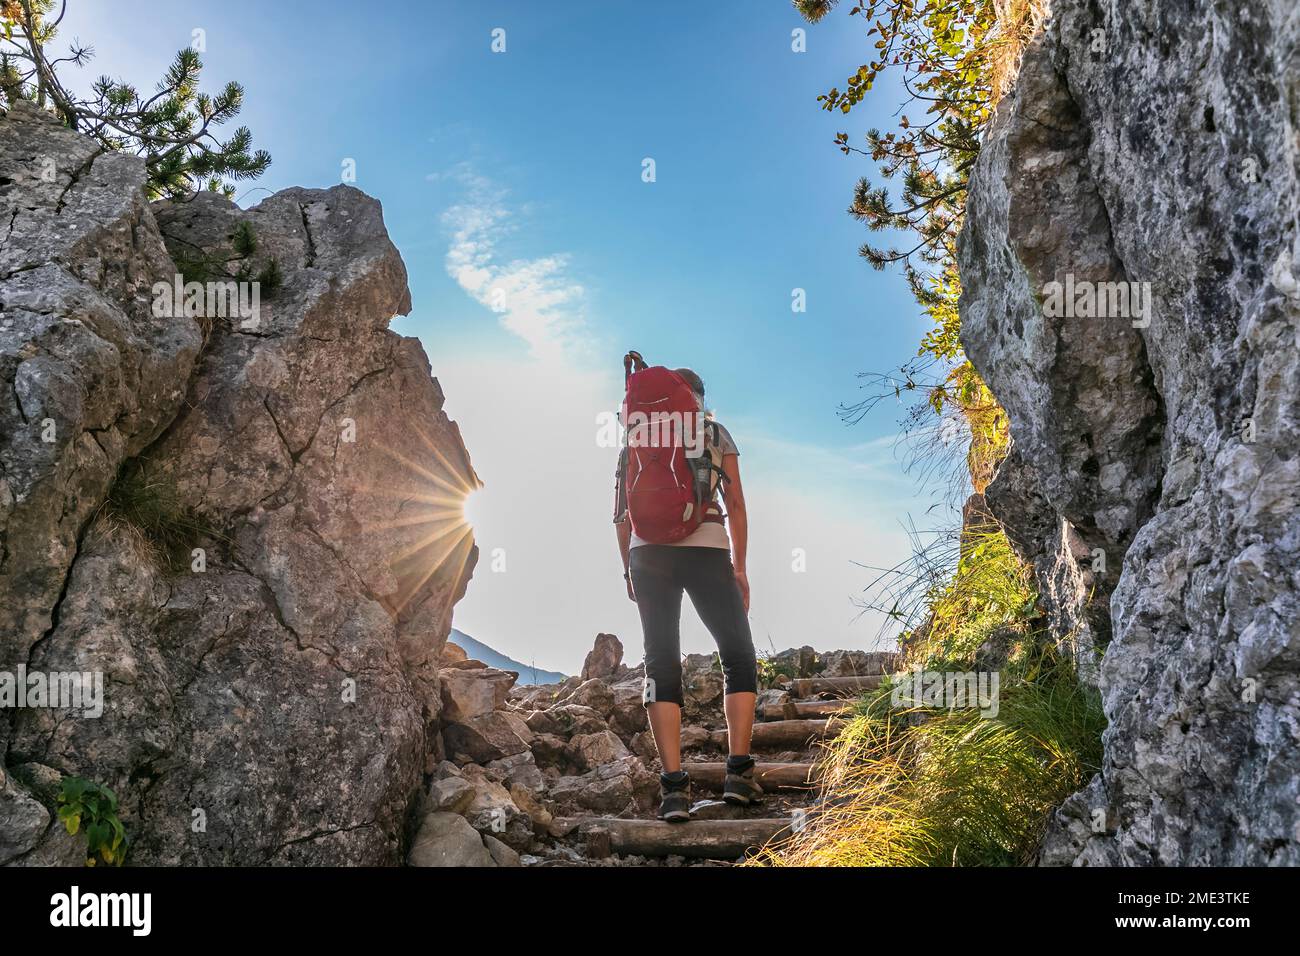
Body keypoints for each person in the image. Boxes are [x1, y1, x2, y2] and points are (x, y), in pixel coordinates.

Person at [613, 367, 760, 822]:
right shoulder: (713, 432)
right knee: (737, 654)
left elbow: (622, 517)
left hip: (646, 555)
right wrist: (739, 567)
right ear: (696, 397)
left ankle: (673, 789)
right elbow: (735, 505)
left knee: (660, 663)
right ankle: (738, 773)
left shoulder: (634, 439)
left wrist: (628, 571)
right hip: (706, 548)